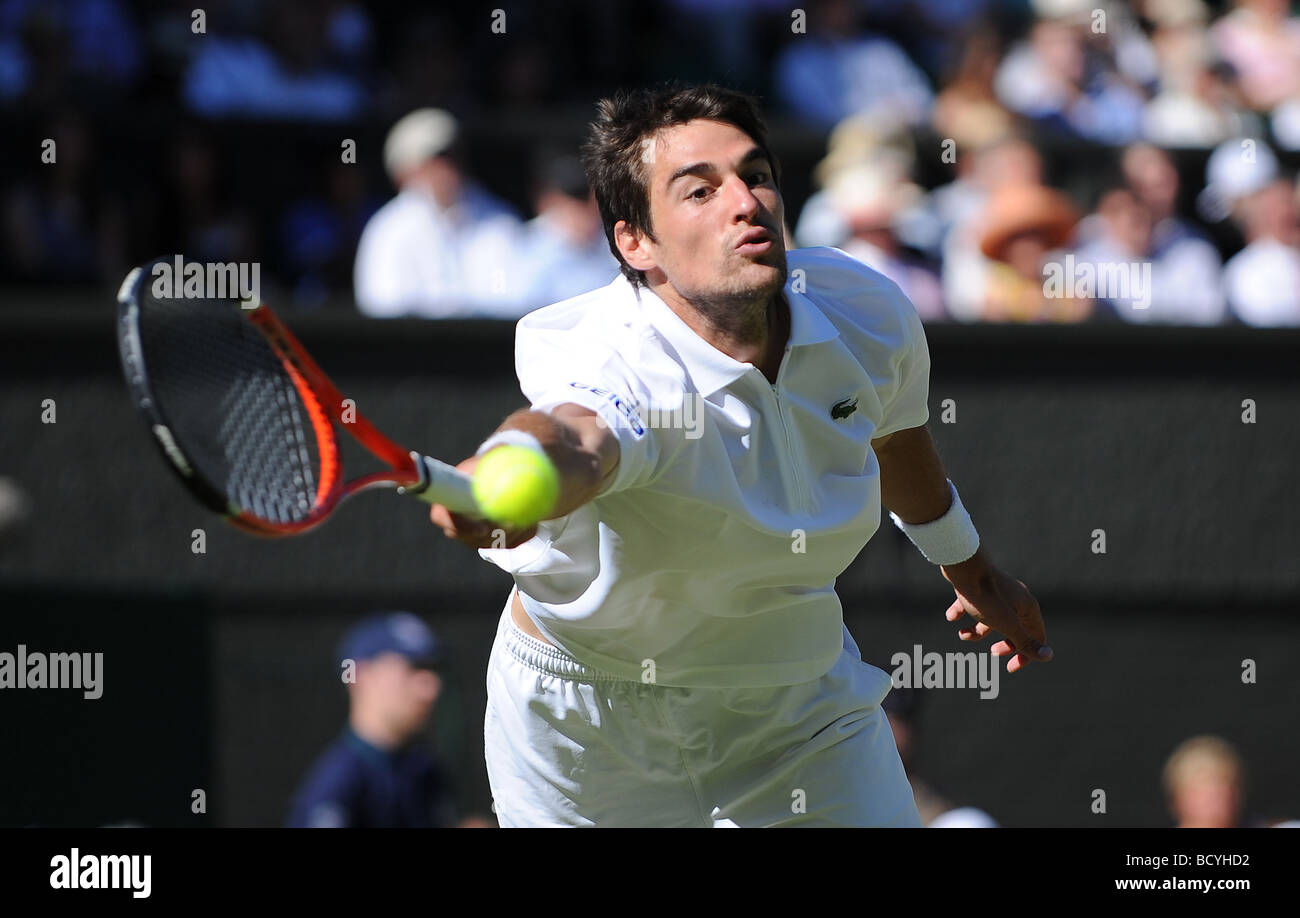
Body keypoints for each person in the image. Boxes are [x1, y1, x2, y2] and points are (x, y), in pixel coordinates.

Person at [429, 84, 1052, 827]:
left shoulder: (867, 312)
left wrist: (971, 568)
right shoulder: (611, 363)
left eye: (754, 175)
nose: (745, 202)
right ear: (636, 242)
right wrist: (510, 478)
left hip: (797, 709)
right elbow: (573, 439)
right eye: (699, 191)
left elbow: (893, 438)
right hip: (588, 735)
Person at [286, 611, 457, 828]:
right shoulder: (338, 785)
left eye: (433, 669)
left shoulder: (425, 771)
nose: (431, 687)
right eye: (413, 668)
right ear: (361, 674)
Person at [353, 108, 520, 317]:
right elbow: (383, 306)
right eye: (435, 158)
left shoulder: (500, 221)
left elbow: (509, 298)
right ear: (403, 172)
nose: (447, 168)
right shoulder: (388, 229)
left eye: (453, 155)